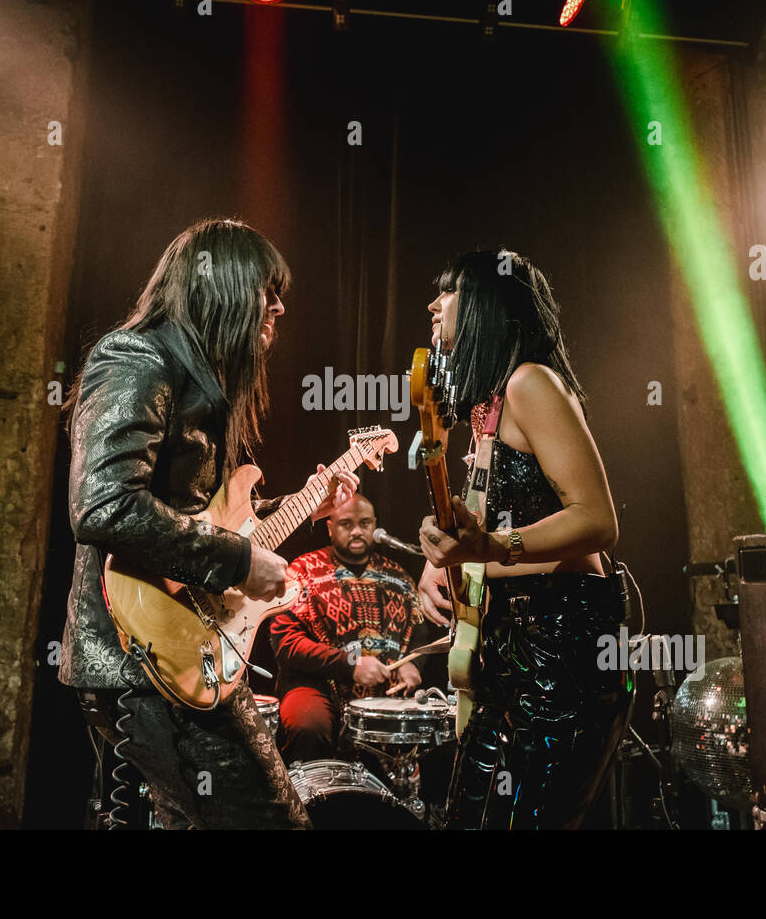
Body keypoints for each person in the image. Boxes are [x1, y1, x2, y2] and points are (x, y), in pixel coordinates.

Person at [58, 218, 357, 829]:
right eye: (264, 289)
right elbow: (103, 504)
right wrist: (242, 563)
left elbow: (200, 514)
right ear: (216, 286)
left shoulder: (197, 376)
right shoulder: (137, 357)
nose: (277, 306)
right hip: (138, 652)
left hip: (180, 649)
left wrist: (299, 508)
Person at [417, 248, 633, 830]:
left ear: (490, 305)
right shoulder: (486, 408)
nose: (434, 304)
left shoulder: (528, 383)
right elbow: (488, 532)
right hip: (509, 653)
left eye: (451, 290)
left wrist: (487, 550)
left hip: (561, 645)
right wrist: (443, 562)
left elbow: (596, 520)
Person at [269, 494, 444, 764]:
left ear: (375, 525)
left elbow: (420, 636)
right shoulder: (301, 572)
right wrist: (350, 664)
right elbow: (286, 644)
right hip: (316, 684)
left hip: (384, 690)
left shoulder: (398, 576)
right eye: (346, 524)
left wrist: (414, 665)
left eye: (364, 523)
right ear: (329, 528)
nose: (357, 531)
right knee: (308, 727)